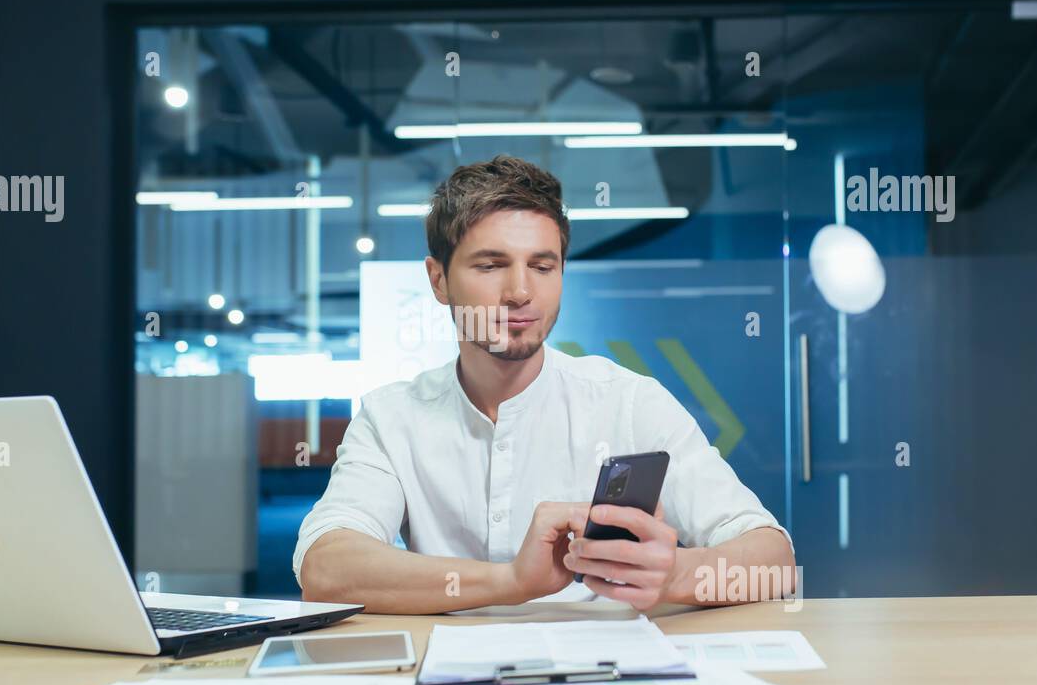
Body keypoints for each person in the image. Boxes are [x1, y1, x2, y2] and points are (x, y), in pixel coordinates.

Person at [295, 154, 795, 614]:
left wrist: (674, 574)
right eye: (490, 266)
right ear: (439, 280)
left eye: (542, 266)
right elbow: (326, 568)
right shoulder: (391, 419)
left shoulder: (629, 402)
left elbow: (773, 560)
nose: (520, 292)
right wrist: (512, 581)